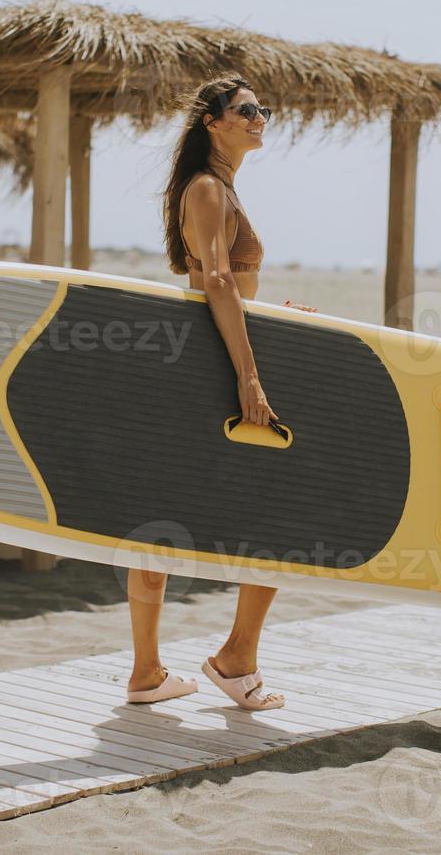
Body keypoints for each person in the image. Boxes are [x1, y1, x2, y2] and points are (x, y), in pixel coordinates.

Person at [124, 76, 316, 711]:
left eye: (264, 107)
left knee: (161, 516)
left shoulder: (217, 187)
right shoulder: (208, 188)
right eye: (248, 110)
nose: (262, 117)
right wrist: (250, 375)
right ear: (213, 121)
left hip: (198, 368)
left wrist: (275, 320)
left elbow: (232, 290)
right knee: (280, 516)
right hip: (212, 376)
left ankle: (152, 671)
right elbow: (215, 283)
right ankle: (233, 659)